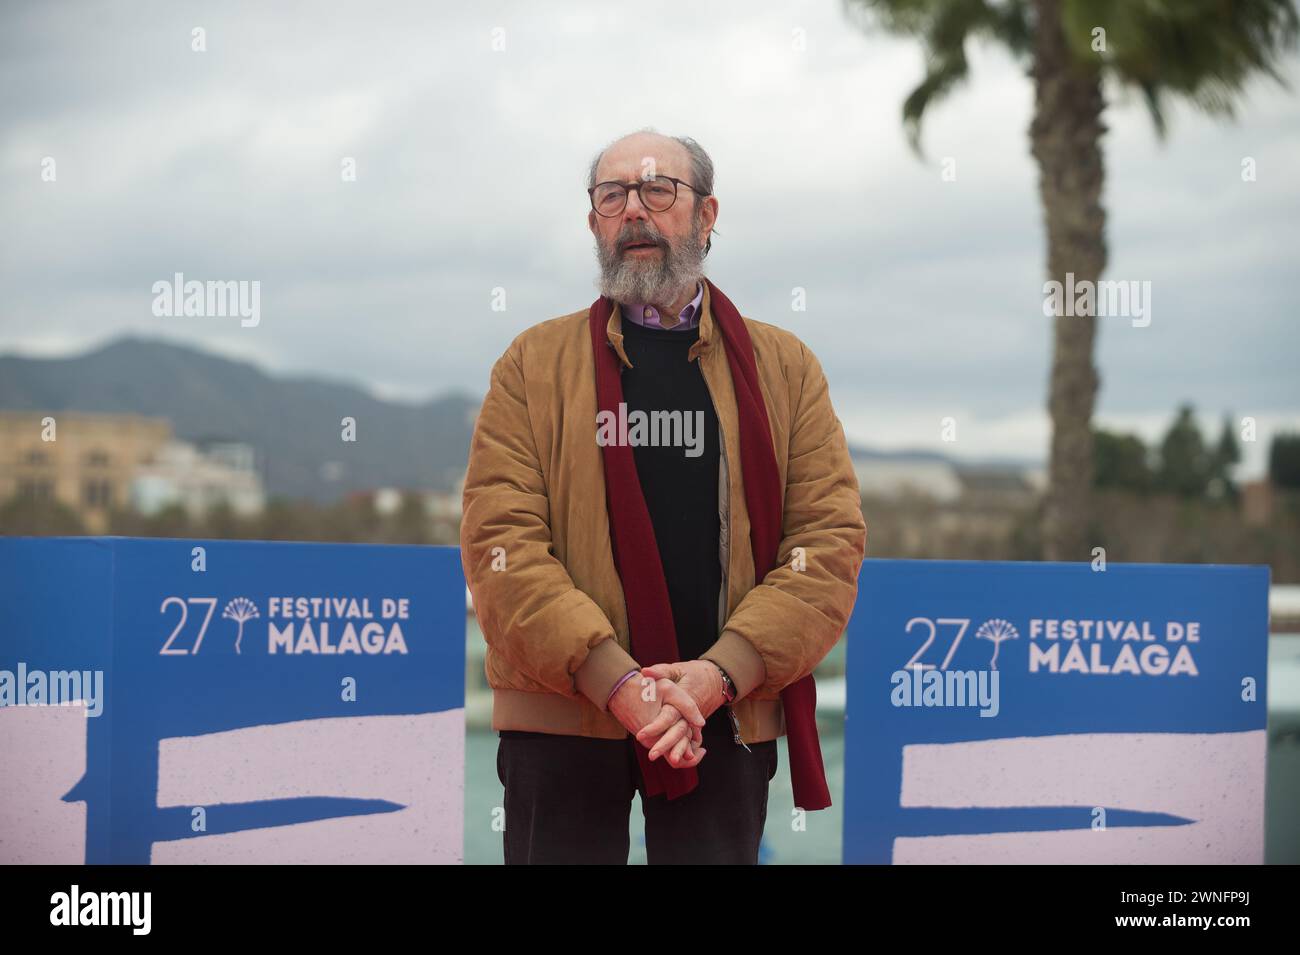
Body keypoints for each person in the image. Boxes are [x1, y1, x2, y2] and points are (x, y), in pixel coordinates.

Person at [461, 128, 867, 864]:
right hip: (563, 719)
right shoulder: (531, 365)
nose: (634, 212)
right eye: (611, 196)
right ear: (594, 224)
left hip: (721, 713)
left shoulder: (786, 369)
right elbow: (502, 549)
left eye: (658, 191)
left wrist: (717, 676)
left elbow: (826, 548)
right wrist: (615, 680)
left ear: (707, 215)